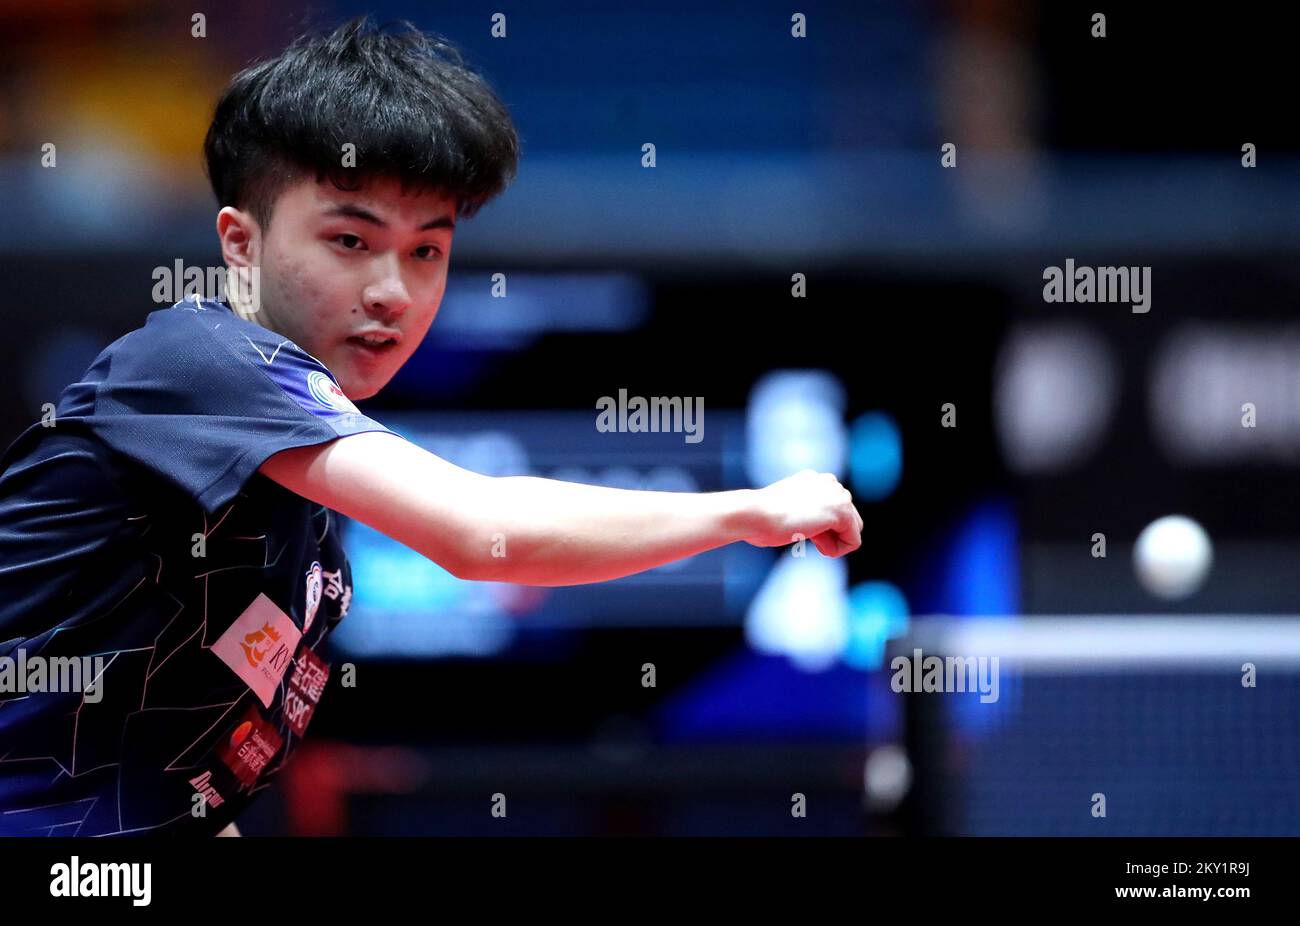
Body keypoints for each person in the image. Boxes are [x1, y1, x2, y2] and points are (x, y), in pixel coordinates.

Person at [0, 17, 861, 836]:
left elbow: (173, 782)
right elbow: (483, 533)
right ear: (240, 242)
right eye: (349, 240)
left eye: (426, 251)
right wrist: (747, 513)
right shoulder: (200, 360)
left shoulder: (296, 514)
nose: (393, 291)